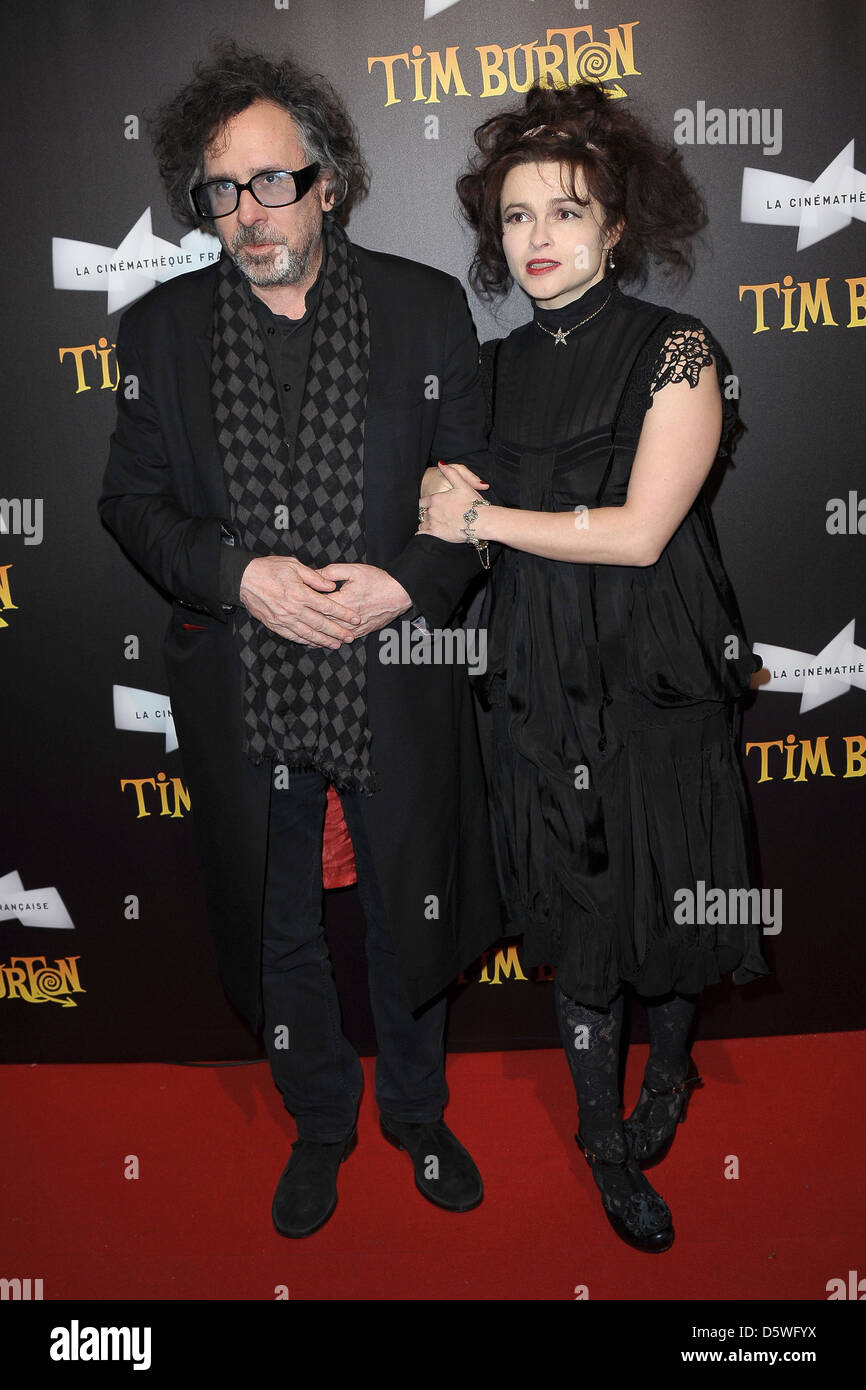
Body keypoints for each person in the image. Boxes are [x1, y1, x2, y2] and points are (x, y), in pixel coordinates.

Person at [99, 41, 502, 1238]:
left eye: (273, 182)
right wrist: (241, 574)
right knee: (278, 918)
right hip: (244, 678)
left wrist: (404, 586)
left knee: (405, 902)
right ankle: (320, 1118)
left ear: (328, 181)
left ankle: (417, 1114)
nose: (248, 213)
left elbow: (473, 496)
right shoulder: (159, 331)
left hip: (391, 673)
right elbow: (131, 505)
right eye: (221, 192)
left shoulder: (429, 309)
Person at [418, 81, 769, 1253]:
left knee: (667, 901)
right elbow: (445, 508)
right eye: (515, 218)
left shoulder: (676, 349)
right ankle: (600, 1142)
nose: (538, 241)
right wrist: (439, 502)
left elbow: (636, 532)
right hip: (534, 677)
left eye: (565, 212)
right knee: (574, 920)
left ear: (616, 224)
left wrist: (485, 520)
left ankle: (667, 1081)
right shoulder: (490, 366)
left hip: (652, 670)